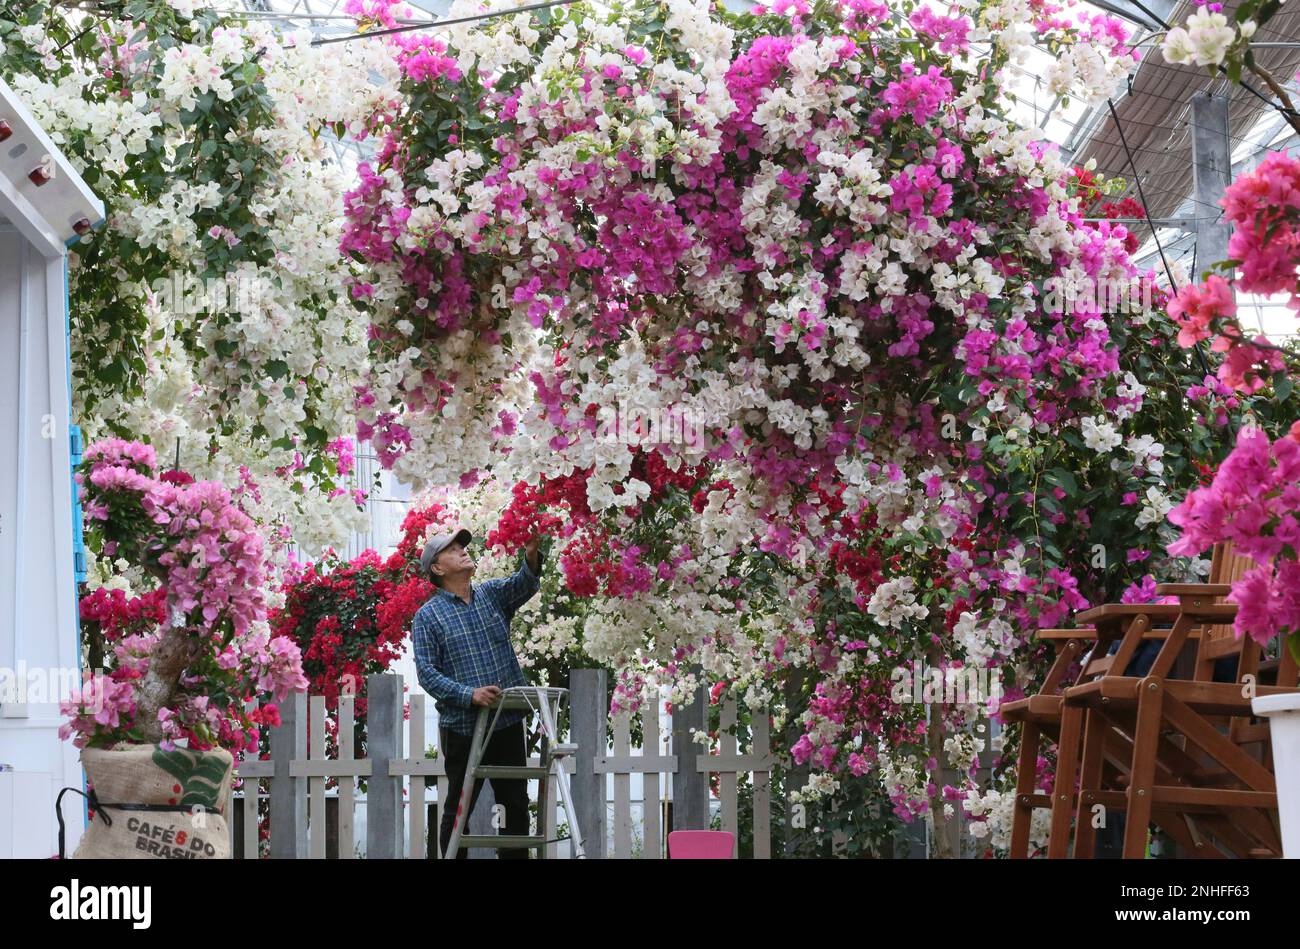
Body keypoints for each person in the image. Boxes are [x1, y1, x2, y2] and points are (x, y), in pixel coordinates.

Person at [411, 526, 545, 858]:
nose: (463, 551)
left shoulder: (492, 595)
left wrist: (530, 553)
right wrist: (469, 694)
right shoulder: (427, 617)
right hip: (463, 727)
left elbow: (524, 583)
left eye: (462, 546)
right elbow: (427, 674)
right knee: (459, 806)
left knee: (514, 803)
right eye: (453, 549)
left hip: (506, 719)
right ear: (438, 569)